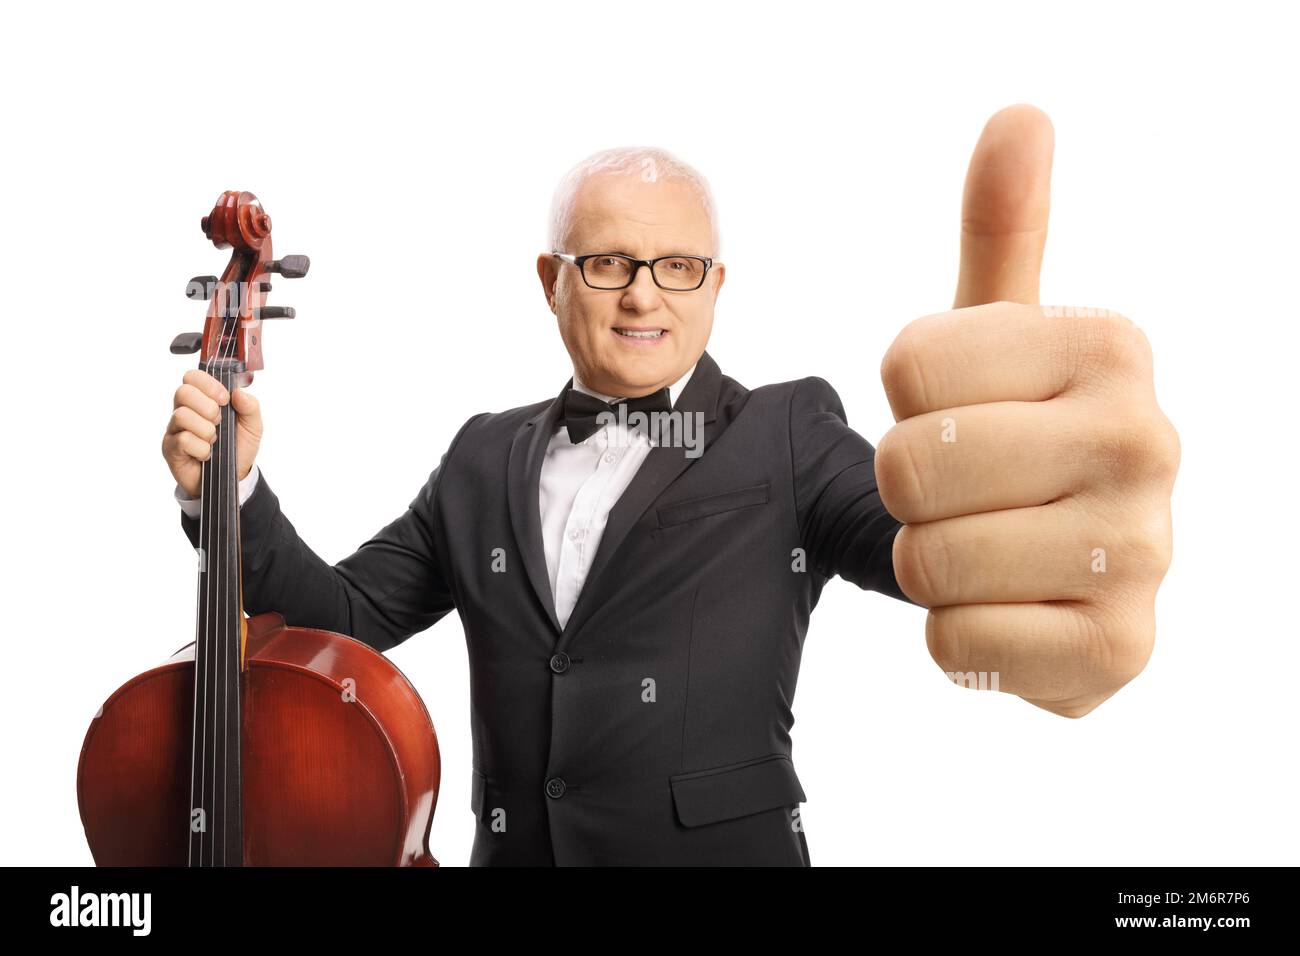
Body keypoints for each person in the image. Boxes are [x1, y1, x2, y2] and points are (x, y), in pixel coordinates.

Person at [160, 104, 1180, 865]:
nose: (644, 291)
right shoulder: (478, 457)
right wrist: (232, 495)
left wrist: (1023, 516)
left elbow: (922, 540)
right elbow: (339, 617)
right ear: (550, 279)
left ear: (717, 286)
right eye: (606, 262)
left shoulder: (786, 429)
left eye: (678, 265)